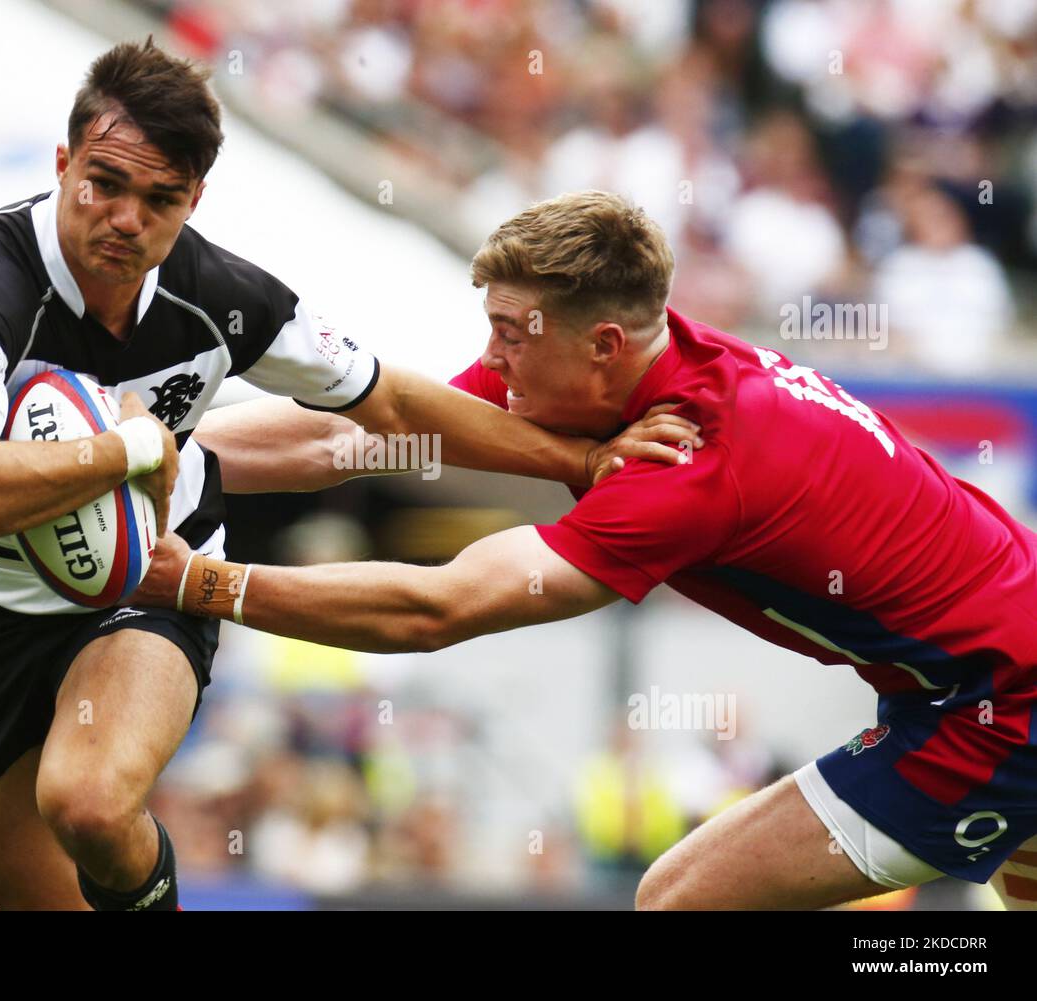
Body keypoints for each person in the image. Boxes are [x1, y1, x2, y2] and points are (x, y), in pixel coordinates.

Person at [0, 42, 694, 911]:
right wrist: (127, 448)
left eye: (161, 199)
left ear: (194, 198)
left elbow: (388, 405)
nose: (126, 218)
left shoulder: (225, 297)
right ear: (62, 164)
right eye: (104, 183)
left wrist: (578, 460)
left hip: (149, 577)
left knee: (87, 803)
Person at [170, 190, 1037, 910]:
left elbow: (439, 607)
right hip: (982, 662)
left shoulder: (687, 462)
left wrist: (193, 581)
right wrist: (150, 458)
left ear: (603, 346)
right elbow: (364, 433)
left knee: (680, 899)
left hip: (997, 696)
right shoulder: (625, 369)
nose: (489, 356)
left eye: (511, 332)